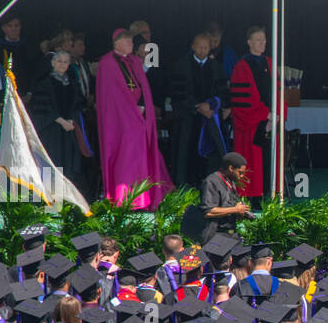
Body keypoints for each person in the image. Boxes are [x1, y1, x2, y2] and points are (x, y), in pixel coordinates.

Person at [95, 28, 173, 210]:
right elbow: (112, 96)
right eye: (128, 41)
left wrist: (143, 110)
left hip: (139, 119)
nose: (131, 44)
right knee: (126, 160)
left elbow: (143, 88)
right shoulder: (107, 63)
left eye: (131, 41)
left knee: (141, 159)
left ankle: (143, 197)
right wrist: (131, 111)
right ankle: (127, 199)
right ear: (117, 43)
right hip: (120, 123)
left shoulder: (134, 62)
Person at [170, 32, 229, 188]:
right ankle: (185, 185)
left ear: (210, 48)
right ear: (192, 46)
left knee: (211, 156)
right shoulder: (182, 66)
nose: (203, 50)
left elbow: (222, 91)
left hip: (210, 118)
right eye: (199, 47)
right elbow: (178, 94)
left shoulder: (216, 67)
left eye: (206, 47)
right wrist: (197, 106)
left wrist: (211, 105)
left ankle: (210, 186)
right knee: (186, 154)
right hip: (188, 119)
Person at [229, 25, 274, 200]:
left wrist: (277, 114)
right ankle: (250, 197)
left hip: (270, 121)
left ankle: (268, 194)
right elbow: (243, 100)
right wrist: (265, 115)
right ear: (249, 42)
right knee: (251, 161)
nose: (262, 43)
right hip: (252, 124)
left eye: (264, 40)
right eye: (257, 40)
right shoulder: (242, 66)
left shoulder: (270, 62)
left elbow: (278, 91)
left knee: (268, 160)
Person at [29, 50, 86, 185]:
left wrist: (72, 120)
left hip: (68, 130)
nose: (62, 64)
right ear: (53, 63)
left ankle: (66, 195)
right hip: (51, 129)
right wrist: (60, 121)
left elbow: (78, 103)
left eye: (65, 62)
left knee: (69, 162)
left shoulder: (72, 82)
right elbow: (41, 107)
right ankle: (50, 197)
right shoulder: (44, 83)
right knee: (52, 161)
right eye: (59, 61)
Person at [199, 152, 254, 244]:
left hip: (232, 234)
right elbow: (208, 212)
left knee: (244, 257)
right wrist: (235, 209)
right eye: (240, 173)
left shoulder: (230, 182)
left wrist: (241, 213)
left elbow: (231, 208)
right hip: (216, 235)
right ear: (231, 168)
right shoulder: (211, 181)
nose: (241, 176)